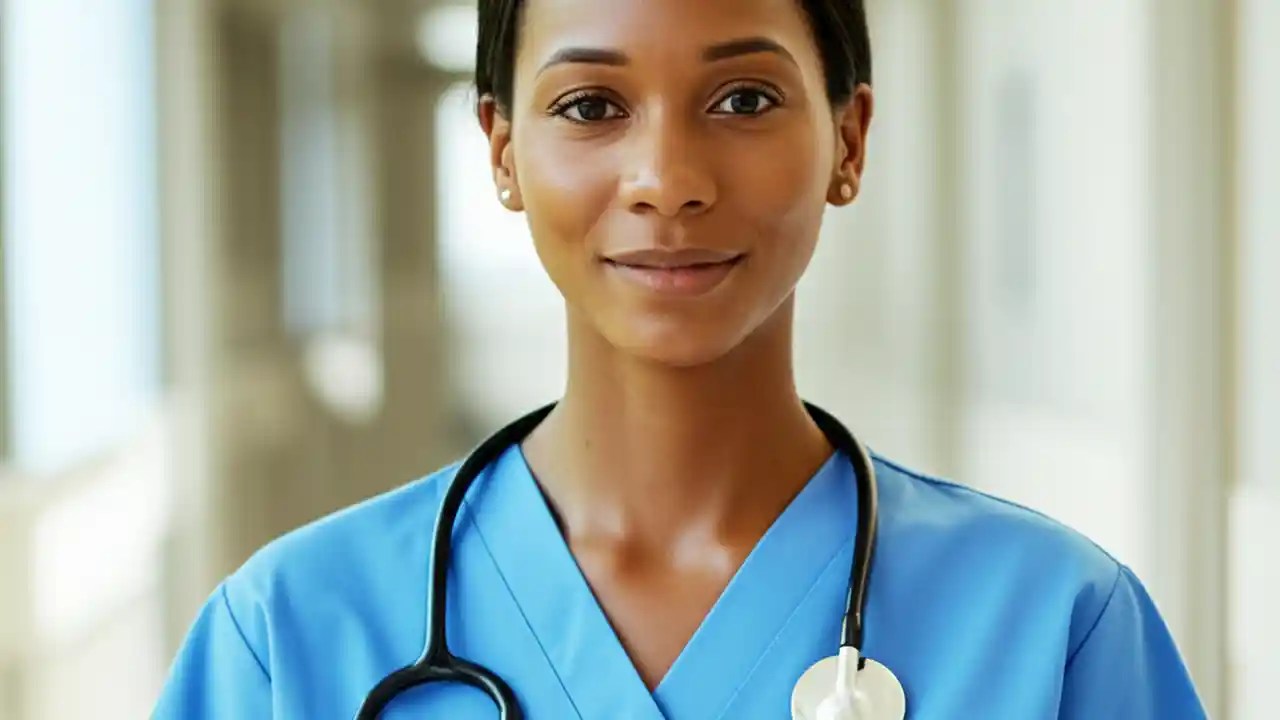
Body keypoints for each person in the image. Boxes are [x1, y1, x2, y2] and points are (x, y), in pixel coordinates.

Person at [154, 0, 1206, 717]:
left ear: (848, 138)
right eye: (589, 108)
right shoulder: (290, 640)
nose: (666, 178)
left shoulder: (1050, 628)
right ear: (501, 150)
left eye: (742, 99)